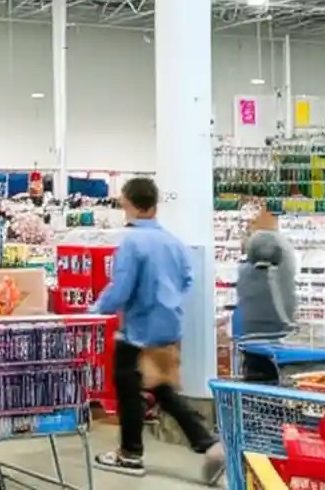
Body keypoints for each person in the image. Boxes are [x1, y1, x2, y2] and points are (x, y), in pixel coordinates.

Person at [91, 177, 223, 480]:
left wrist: (98, 309)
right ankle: (208, 444)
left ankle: (130, 453)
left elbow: (121, 289)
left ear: (127, 202)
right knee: (162, 389)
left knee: (128, 388)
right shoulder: (174, 243)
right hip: (169, 329)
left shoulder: (132, 243)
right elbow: (187, 280)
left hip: (138, 330)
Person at [235, 207, 298, 384]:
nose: (252, 222)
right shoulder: (271, 246)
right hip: (275, 340)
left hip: (250, 341)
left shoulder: (248, 267)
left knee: (256, 389)